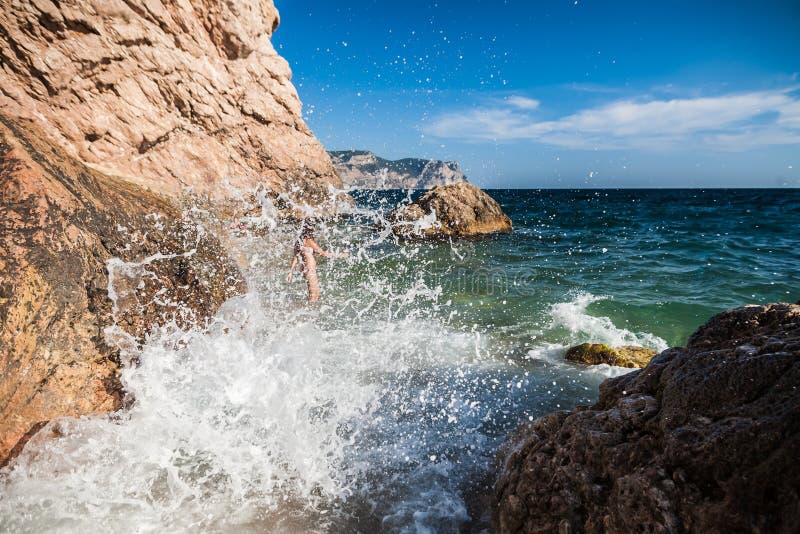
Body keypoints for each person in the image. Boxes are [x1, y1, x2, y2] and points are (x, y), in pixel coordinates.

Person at [286, 221, 348, 302]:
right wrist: (341, 255)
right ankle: (307, 312)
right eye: (312, 229)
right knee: (314, 296)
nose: (314, 231)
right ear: (309, 230)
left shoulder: (299, 241)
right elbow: (324, 253)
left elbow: (296, 257)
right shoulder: (308, 241)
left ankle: (307, 312)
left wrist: (291, 272)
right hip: (310, 270)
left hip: (307, 270)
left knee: (315, 294)